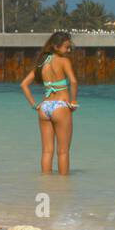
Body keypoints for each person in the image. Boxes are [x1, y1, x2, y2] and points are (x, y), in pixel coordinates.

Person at [20, 31, 79, 175]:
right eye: (66, 47)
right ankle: (63, 187)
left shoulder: (42, 62)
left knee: (47, 151)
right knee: (63, 152)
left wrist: (35, 105)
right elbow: (73, 81)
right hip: (60, 107)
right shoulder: (64, 61)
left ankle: (46, 185)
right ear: (56, 47)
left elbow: (24, 84)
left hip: (44, 107)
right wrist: (73, 101)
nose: (69, 50)